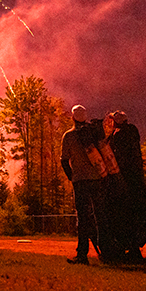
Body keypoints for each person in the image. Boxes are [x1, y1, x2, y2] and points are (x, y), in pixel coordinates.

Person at [107, 110, 146, 263]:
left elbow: (117, 158)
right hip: (137, 180)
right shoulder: (133, 132)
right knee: (140, 211)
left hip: (125, 180)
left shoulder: (118, 135)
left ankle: (127, 246)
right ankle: (135, 245)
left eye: (113, 120)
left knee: (124, 214)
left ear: (116, 122)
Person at [60, 105, 106, 265]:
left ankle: (82, 254)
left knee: (83, 218)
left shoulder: (69, 136)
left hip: (80, 181)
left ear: (72, 118)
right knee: (100, 216)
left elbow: (64, 160)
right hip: (96, 179)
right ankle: (106, 251)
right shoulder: (94, 133)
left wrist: (71, 177)